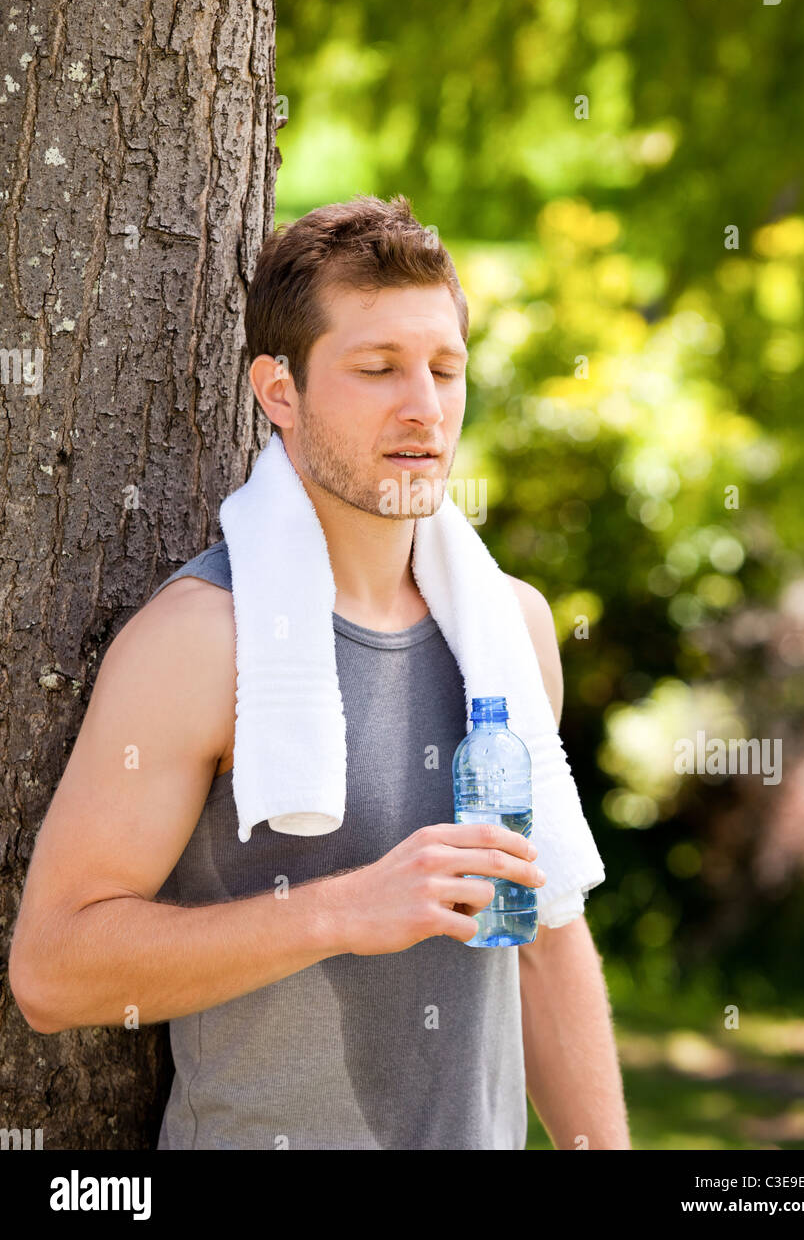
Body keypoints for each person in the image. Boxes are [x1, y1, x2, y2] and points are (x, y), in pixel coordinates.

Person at [9, 194, 630, 1150]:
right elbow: (53, 972)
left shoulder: (511, 628)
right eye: (377, 369)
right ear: (280, 391)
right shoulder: (202, 642)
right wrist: (344, 910)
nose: (423, 405)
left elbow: (544, 936)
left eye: (445, 369)